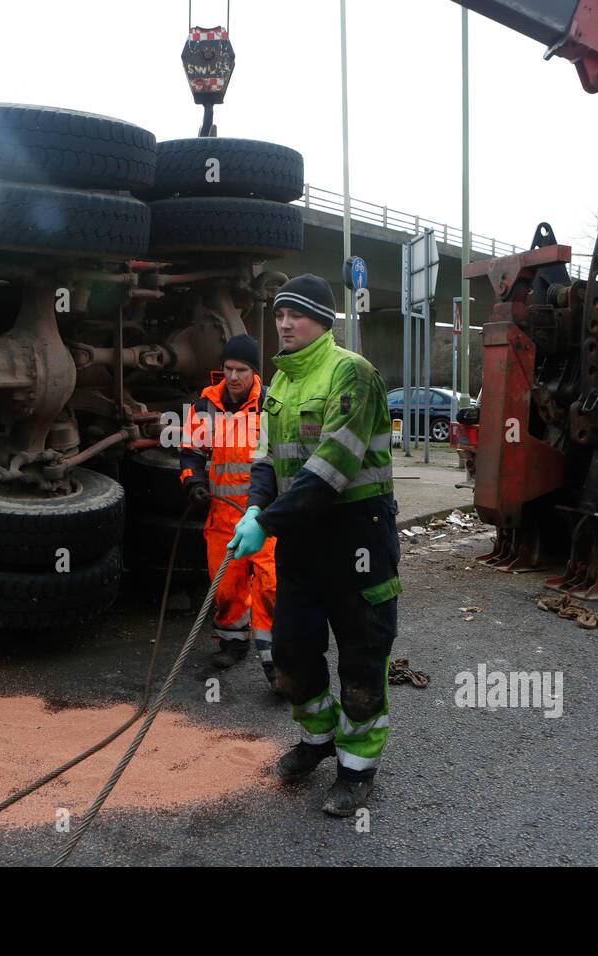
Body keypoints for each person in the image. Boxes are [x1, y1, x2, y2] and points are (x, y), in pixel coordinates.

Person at [228, 274, 400, 817]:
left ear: (324, 320)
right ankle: (319, 737)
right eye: (279, 315)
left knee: (361, 655)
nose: (284, 323)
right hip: (301, 539)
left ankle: (357, 766)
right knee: (292, 651)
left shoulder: (351, 372)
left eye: (296, 315)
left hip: (357, 536)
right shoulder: (279, 383)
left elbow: (332, 466)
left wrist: (268, 521)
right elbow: (264, 458)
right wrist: (256, 506)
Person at [179, 333, 277, 688]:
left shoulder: (270, 405)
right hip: (222, 515)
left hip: (263, 516)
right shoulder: (206, 406)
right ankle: (233, 642)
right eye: (228, 369)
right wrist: (194, 481)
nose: (233, 376)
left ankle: (277, 657)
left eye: (241, 369)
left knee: (270, 585)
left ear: (254, 372)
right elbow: (190, 449)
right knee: (227, 587)